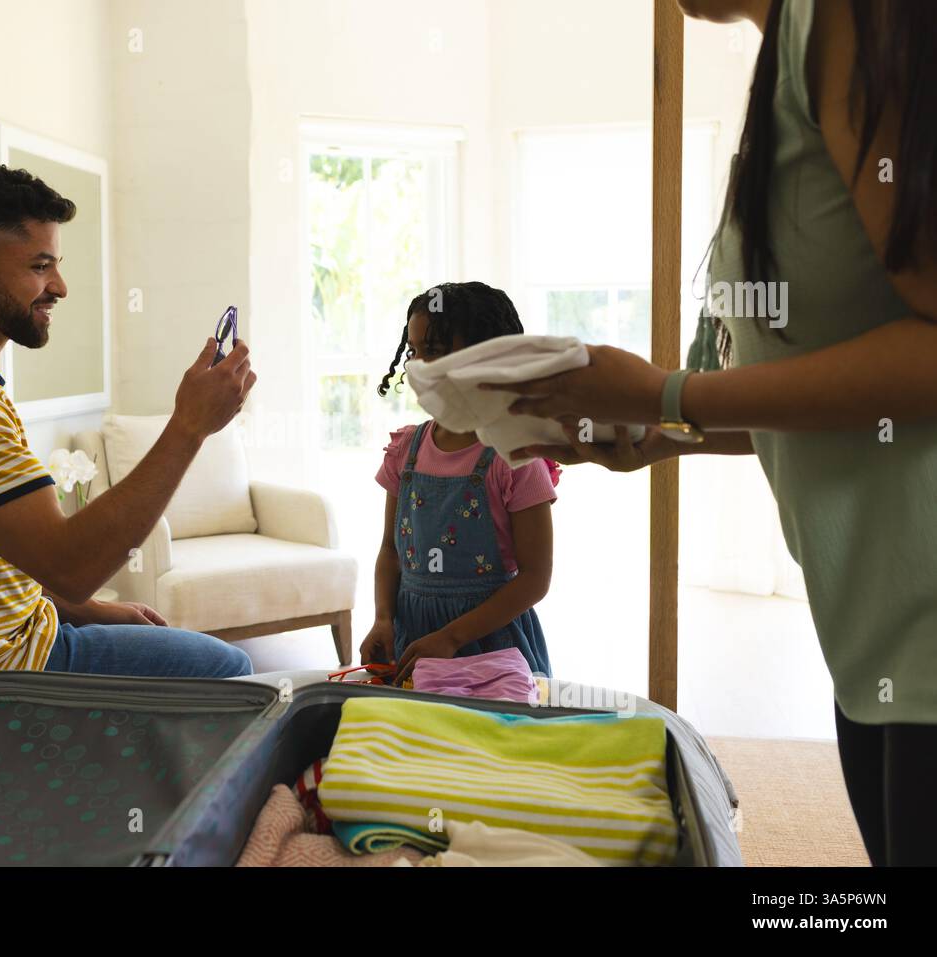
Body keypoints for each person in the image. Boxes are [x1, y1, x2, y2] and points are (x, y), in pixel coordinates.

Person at [494, 0, 937, 865]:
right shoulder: (782, 65)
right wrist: (656, 427)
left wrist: (670, 390)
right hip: (871, 635)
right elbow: (815, 392)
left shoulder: (845, 19)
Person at [0, 163, 255, 718]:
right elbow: (70, 564)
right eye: (39, 267)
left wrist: (83, 611)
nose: (58, 286)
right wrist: (188, 427)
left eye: (56, 265)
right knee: (234, 675)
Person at [360, 282, 559, 687]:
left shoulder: (515, 457)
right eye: (413, 352)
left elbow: (536, 578)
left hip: (492, 648)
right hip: (413, 638)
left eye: (433, 351)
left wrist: (452, 637)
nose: (417, 365)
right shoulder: (405, 450)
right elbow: (390, 550)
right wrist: (382, 618)